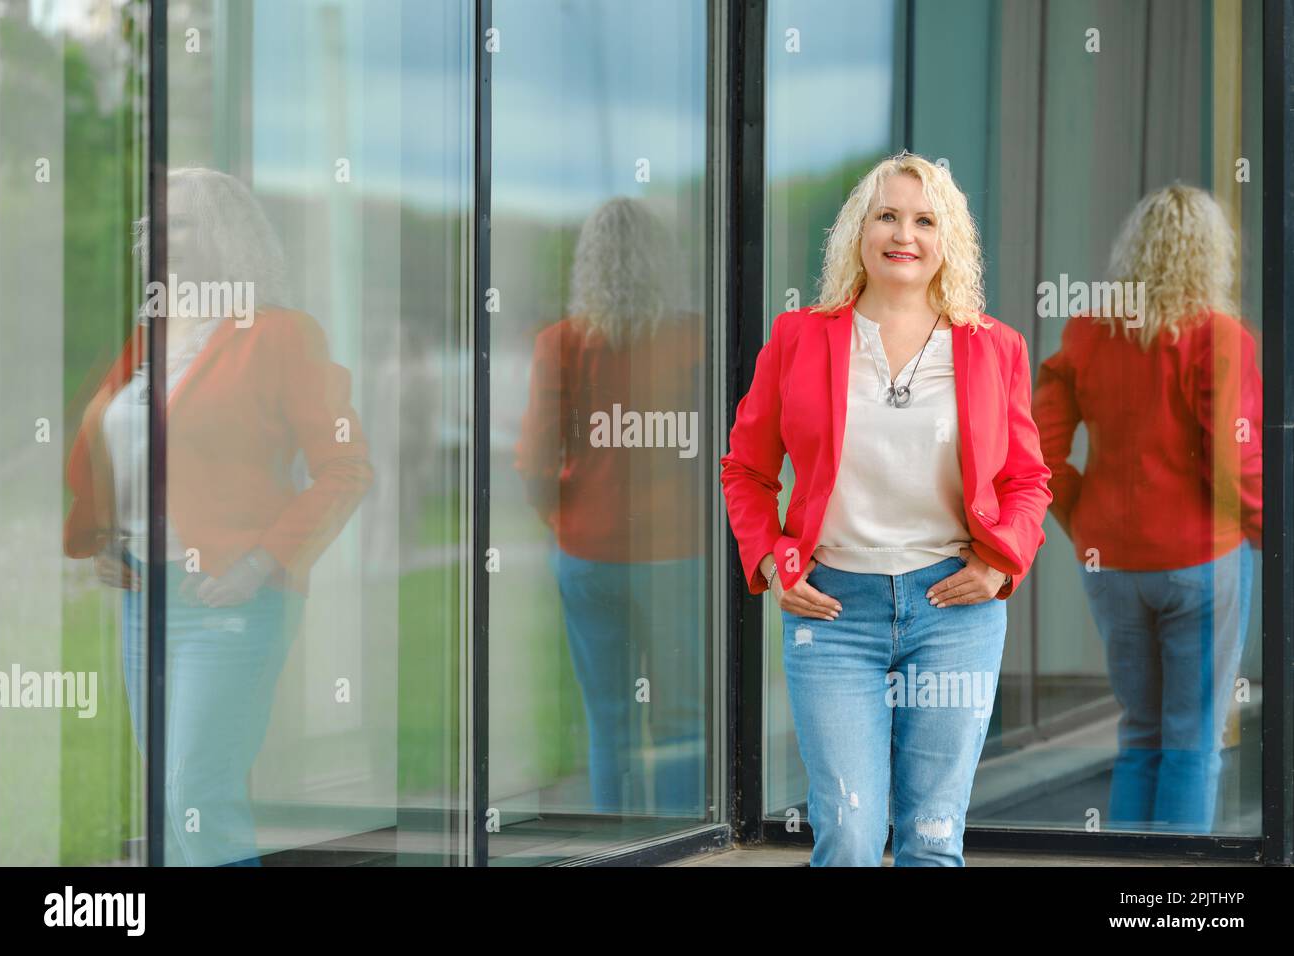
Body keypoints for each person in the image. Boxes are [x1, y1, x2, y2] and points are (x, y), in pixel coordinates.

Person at [721, 151, 1052, 865]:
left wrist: (1001, 563)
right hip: (834, 613)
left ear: (948, 239)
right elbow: (746, 468)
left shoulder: (996, 349)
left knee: (933, 839)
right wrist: (774, 563)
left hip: (955, 613)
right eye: (888, 216)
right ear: (859, 232)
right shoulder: (798, 339)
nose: (906, 234)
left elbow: (1028, 480)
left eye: (925, 220)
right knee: (848, 835)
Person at [63, 167, 374, 865]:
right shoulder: (153, 335)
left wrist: (261, 562)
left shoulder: (281, 335)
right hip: (145, 600)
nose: (158, 238)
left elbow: (348, 468)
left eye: (179, 223)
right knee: (167, 803)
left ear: (227, 236)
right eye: (153, 225)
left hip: (231, 602)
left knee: (196, 793)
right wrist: (107, 533)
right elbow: (121, 440)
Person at [1032, 184, 1261, 835]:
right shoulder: (1221, 337)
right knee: (1193, 743)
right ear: (1211, 256)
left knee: (1139, 735)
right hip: (1199, 556)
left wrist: (1084, 521)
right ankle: (1171, 894)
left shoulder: (1086, 330)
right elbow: (1233, 462)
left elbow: (1040, 451)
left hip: (1110, 561)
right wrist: (1267, 526)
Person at [514, 197, 706, 817]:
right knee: (681, 718)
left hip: (588, 554)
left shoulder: (560, 343)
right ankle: (682, 851)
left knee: (609, 721)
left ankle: (616, 844)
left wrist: (565, 524)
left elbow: (534, 460)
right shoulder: (695, 339)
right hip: (675, 552)